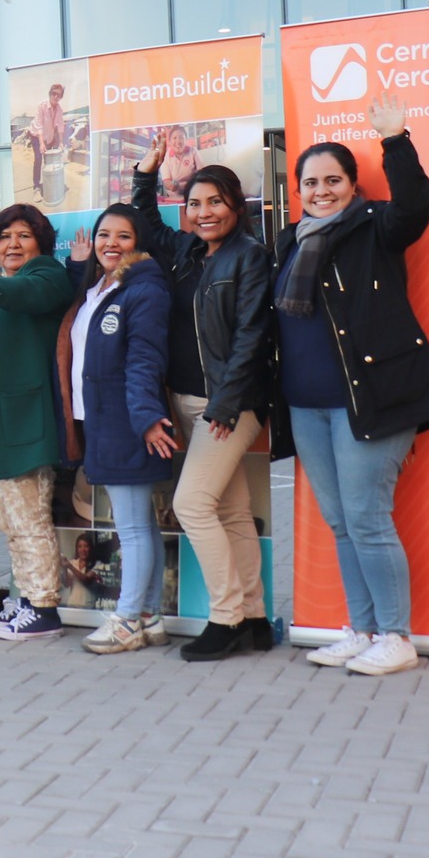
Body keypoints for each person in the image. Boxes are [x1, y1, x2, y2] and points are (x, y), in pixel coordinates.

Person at [274, 94, 429, 677]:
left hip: (369, 400)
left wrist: (395, 139)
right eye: (310, 182)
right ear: (298, 190)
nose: (321, 190)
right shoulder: (291, 240)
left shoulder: (376, 226)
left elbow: (416, 207)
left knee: (367, 518)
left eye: (333, 180)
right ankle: (363, 629)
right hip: (307, 407)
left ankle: (397, 636)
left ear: (353, 185)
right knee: (341, 522)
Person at [128, 131, 278, 662]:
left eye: (215, 202)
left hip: (227, 406)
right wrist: (147, 174)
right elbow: (146, 223)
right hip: (189, 403)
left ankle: (226, 617)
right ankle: (254, 618)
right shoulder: (187, 252)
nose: (205, 212)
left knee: (191, 503)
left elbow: (251, 336)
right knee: (232, 511)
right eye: (195, 204)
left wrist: (225, 404)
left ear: (235, 206)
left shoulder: (250, 257)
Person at [54, 206, 176, 655]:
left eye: (123, 236)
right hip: (101, 419)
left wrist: (145, 417)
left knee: (133, 527)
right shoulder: (100, 288)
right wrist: (76, 266)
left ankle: (126, 620)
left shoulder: (145, 290)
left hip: (127, 420)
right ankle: (148, 616)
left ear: (139, 243)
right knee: (140, 522)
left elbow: (145, 357)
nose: (111, 243)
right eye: (104, 234)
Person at [0, 204, 74, 640]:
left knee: (28, 516)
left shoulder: (45, 276)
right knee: (8, 517)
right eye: (5, 237)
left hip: (20, 421)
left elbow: (29, 295)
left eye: (23, 236)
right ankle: (25, 599)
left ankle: (43, 608)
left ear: (41, 243)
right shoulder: (6, 286)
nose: (13, 244)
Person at [29, 84, 66, 189]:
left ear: (61, 97)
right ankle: (36, 185)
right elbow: (39, 125)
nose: (56, 97)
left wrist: (61, 142)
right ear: (50, 94)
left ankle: (48, 183)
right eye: (54, 93)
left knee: (48, 160)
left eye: (59, 95)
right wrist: (41, 143)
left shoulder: (59, 110)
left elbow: (60, 126)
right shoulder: (42, 106)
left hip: (48, 137)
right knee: (38, 158)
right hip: (36, 136)